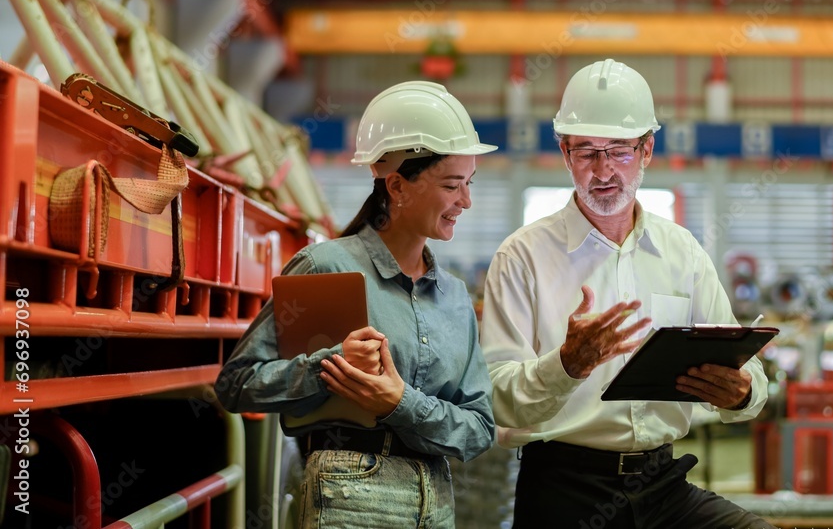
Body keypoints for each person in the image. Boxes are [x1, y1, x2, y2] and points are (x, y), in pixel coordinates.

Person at [479, 59, 775, 529]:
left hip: (662, 486)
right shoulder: (523, 257)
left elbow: (748, 370)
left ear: (647, 150)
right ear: (564, 152)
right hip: (563, 488)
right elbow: (494, 397)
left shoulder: (682, 252)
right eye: (587, 152)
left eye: (618, 151)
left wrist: (741, 394)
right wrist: (566, 365)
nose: (603, 172)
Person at [215, 81, 497, 529]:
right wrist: (330, 367)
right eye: (452, 185)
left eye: (469, 184)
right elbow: (237, 384)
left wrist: (400, 402)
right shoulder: (325, 267)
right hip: (350, 493)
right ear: (398, 186)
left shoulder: (455, 297)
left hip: (437, 499)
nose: (466, 201)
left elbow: (480, 430)